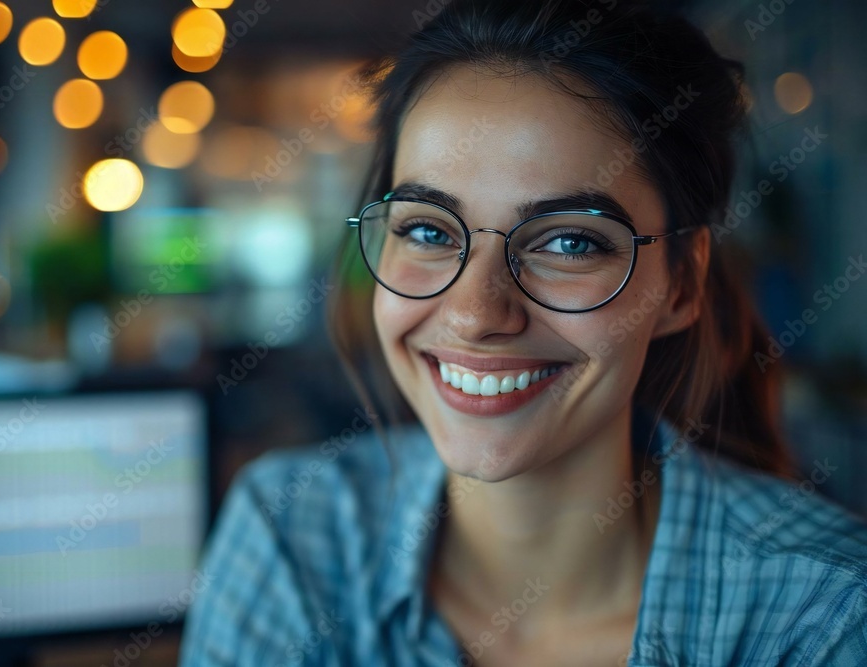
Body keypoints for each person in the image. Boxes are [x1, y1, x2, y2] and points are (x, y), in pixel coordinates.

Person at [180, 1, 867, 664]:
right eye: (426, 230)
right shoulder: (289, 538)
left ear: (682, 284)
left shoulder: (824, 615)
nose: (476, 313)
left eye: (569, 242)